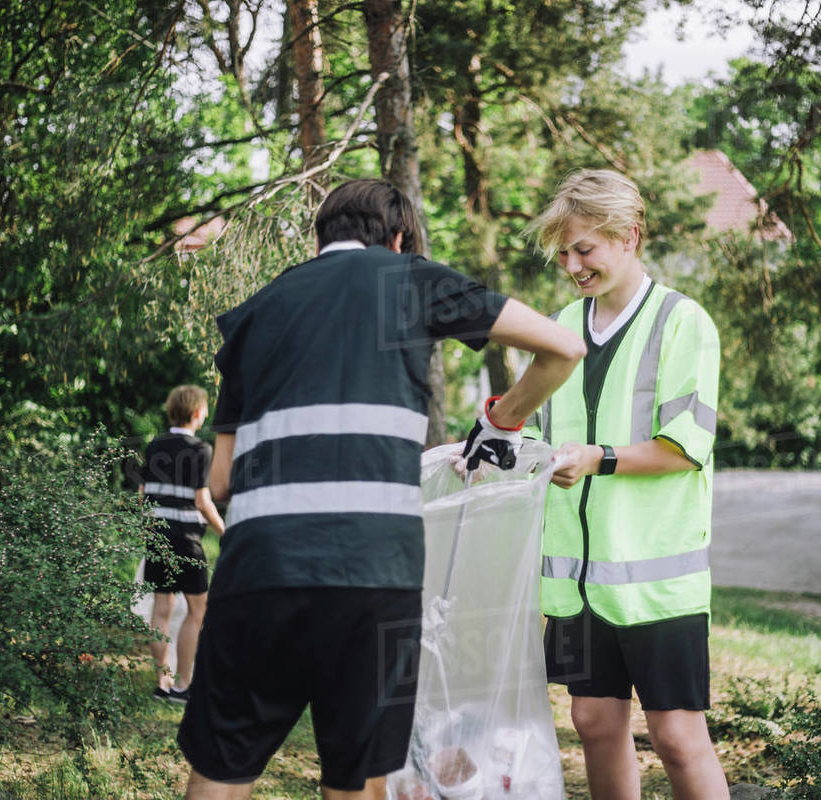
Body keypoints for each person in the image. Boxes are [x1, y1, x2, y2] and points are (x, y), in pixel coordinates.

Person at [177, 178, 586, 800]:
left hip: (259, 570)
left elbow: (222, 479)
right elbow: (564, 347)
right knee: (359, 777)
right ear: (398, 237)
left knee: (223, 769)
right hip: (373, 576)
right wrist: (503, 420)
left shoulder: (256, 314)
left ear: (323, 238)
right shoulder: (409, 280)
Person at [524, 169, 729, 800]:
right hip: (578, 583)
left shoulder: (681, 322)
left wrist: (596, 459)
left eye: (584, 249)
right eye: (563, 253)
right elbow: (536, 429)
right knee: (592, 721)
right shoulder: (559, 324)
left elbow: (684, 448)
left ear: (629, 236)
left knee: (675, 736)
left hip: (656, 585)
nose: (572, 265)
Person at [139, 384, 226, 704]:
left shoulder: (154, 445)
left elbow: (142, 495)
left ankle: (162, 683)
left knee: (161, 609)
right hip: (187, 540)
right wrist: (223, 530)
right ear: (197, 413)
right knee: (197, 610)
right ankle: (183, 686)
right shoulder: (200, 449)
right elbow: (202, 500)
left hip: (158, 534)